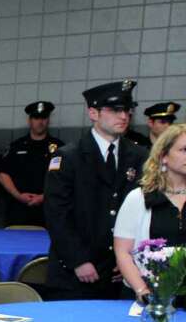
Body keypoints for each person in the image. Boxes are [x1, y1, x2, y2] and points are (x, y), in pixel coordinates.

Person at [45, 80, 150, 300]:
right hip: (75, 274)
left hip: (120, 274)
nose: (124, 116)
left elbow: (142, 214)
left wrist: (129, 262)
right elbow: (57, 214)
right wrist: (78, 260)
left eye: (127, 111)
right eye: (115, 110)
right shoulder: (68, 157)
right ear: (93, 113)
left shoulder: (139, 156)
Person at [114, 123, 186, 304]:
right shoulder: (139, 198)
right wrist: (142, 291)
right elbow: (123, 252)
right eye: (184, 149)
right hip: (147, 297)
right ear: (164, 156)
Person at [0, 101, 64, 227]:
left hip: (47, 209)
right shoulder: (16, 146)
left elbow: (64, 177)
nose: (40, 122)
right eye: (36, 118)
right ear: (29, 120)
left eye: (44, 118)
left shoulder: (59, 147)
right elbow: (3, 174)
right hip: (18, 209)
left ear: (48, 120)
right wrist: (18, 195)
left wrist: (43, 197)